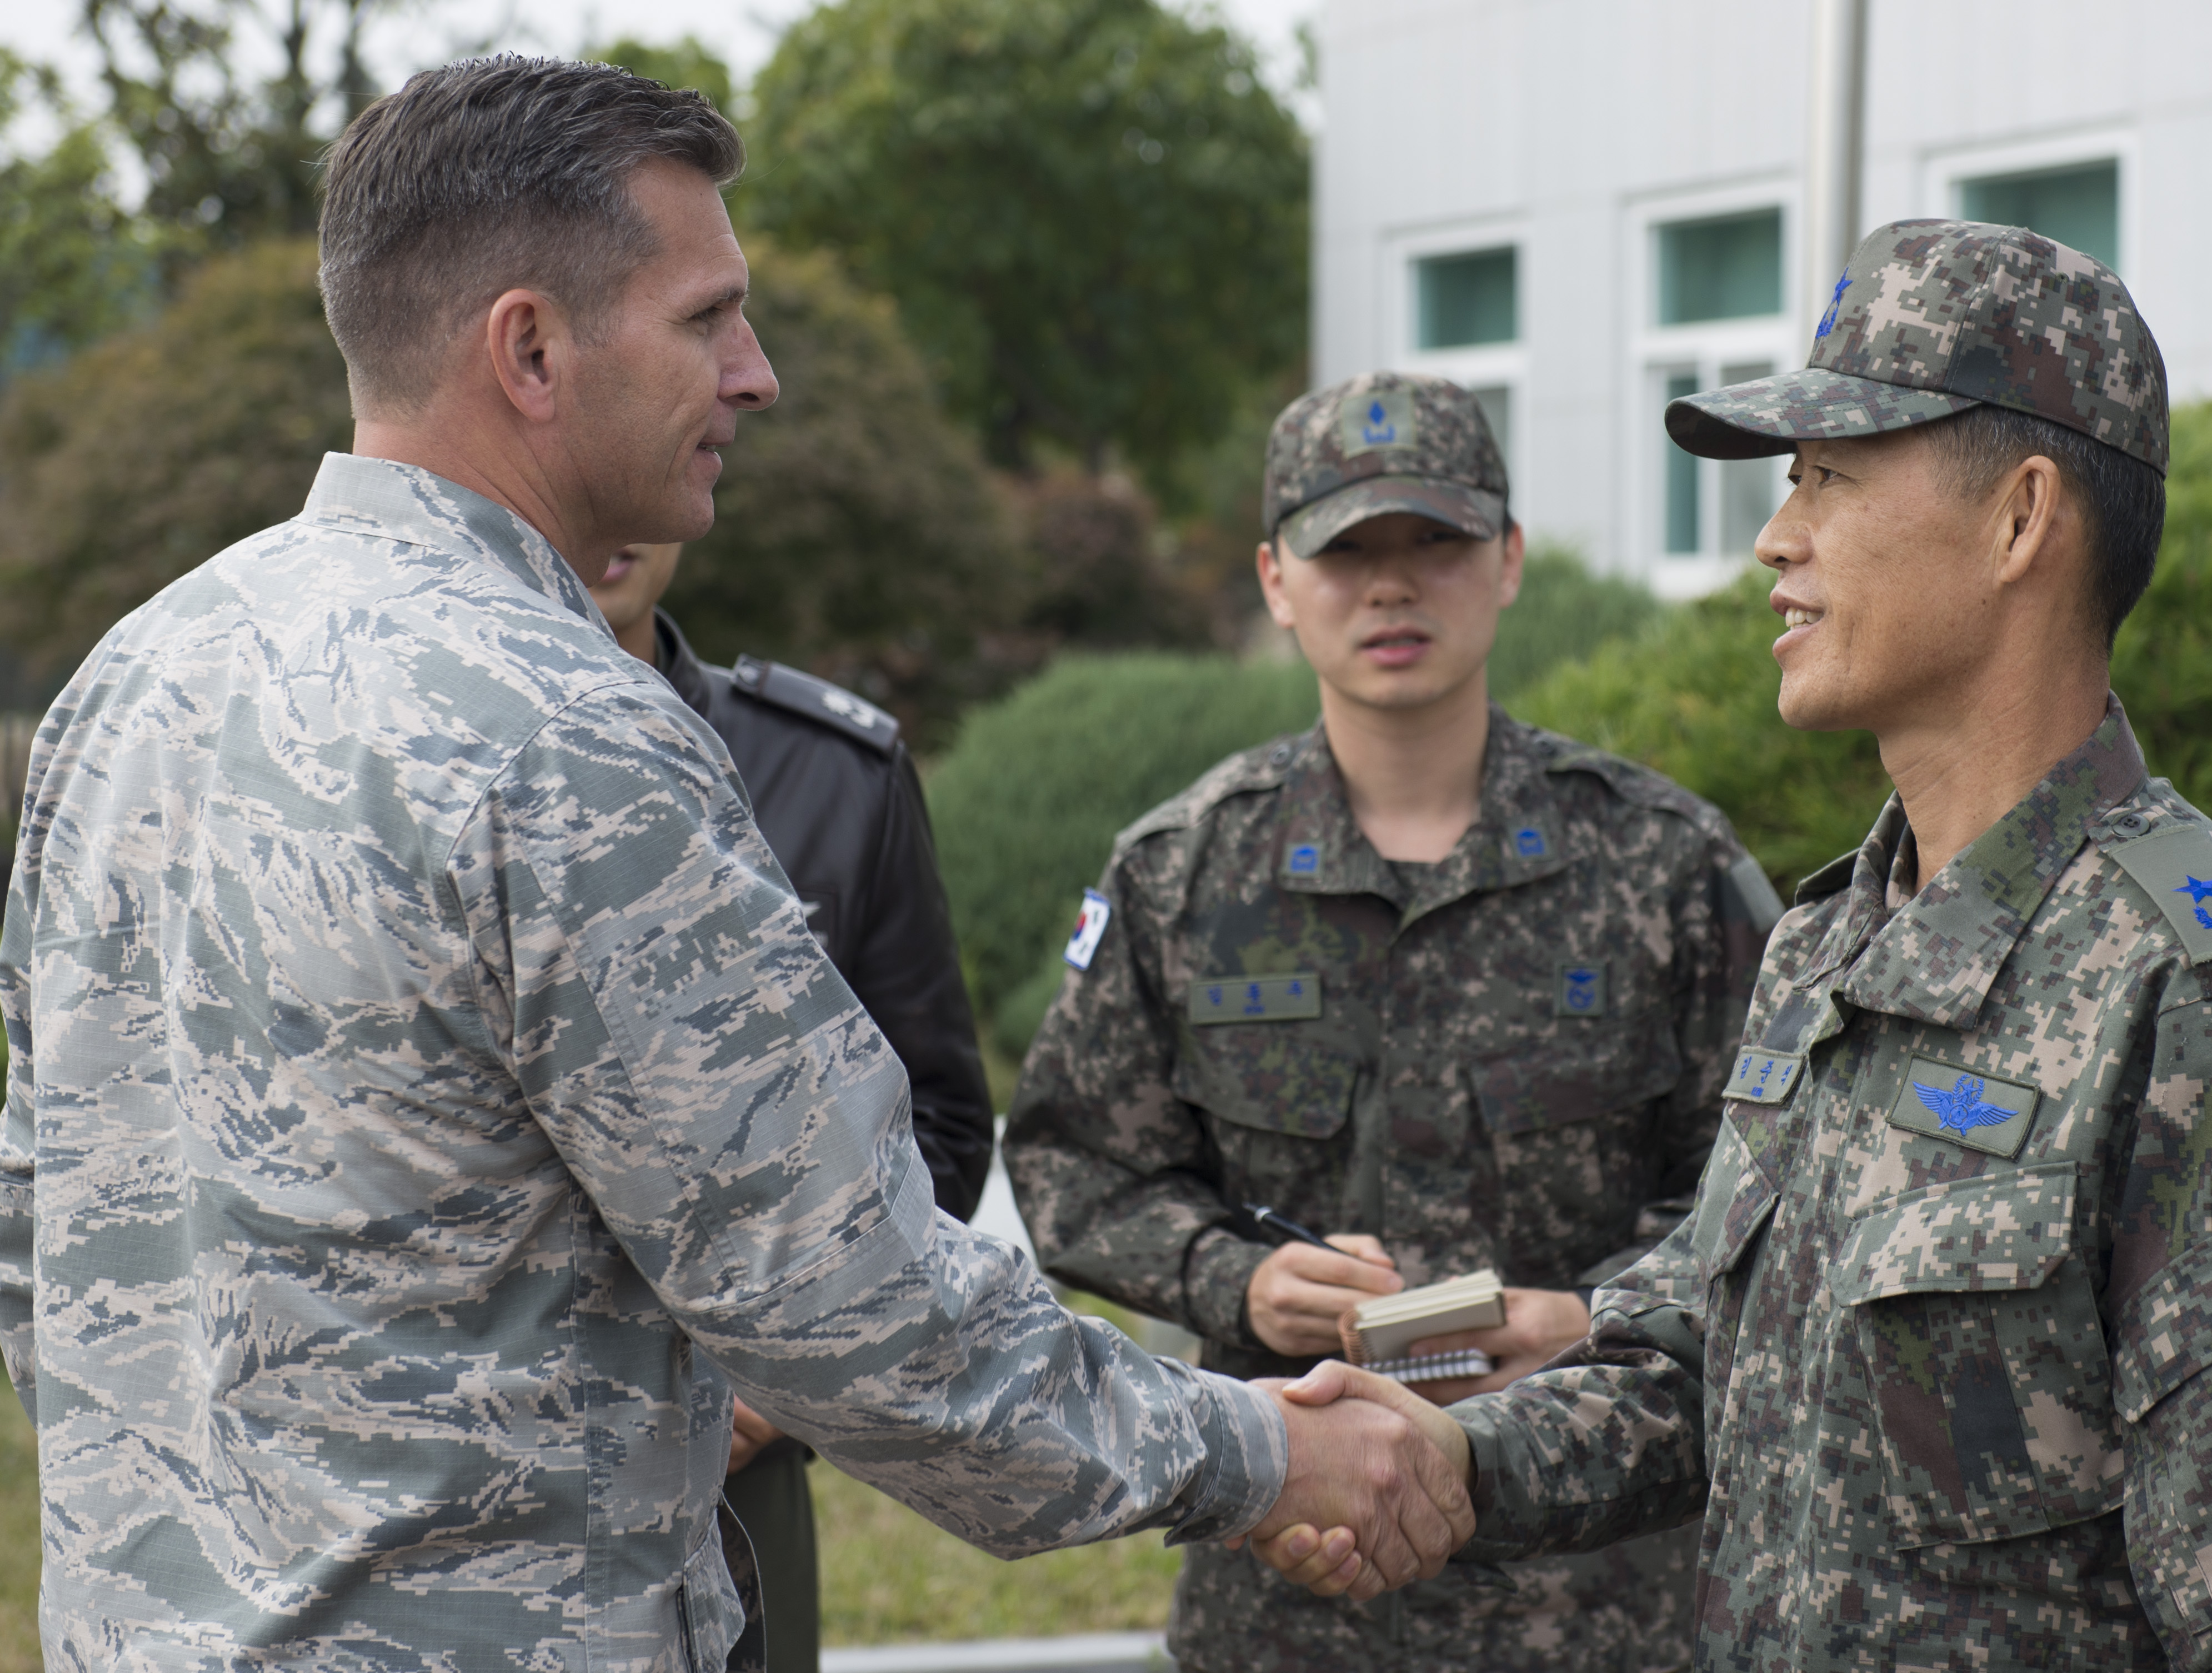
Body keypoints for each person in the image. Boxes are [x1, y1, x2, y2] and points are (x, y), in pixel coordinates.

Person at [0, 56, 1473, 1669]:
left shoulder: (136, 677)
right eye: (710, 318)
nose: (757, 374)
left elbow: (50, 1246)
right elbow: (868, 1312)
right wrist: (1269, 1452)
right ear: (533, 349)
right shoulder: (568, 735)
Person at [1256, 220, 2212, 1669]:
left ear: (2021, 519)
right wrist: (1453, 1463)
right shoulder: (1828, 946)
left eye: (1832, 476)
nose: (1776, 536)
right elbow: (1713, 1358)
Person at [1005, 371, 1781, 1671]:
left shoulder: (1664, 869)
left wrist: (1583, 1319)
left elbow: (1764, 1203)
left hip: (1590, 1600)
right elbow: (1068, 1164)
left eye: (1438, 542)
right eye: (1346, 548)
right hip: (1286, 1593)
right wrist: (1234, 1276)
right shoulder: (1184, 876)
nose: (1392, 586)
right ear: (1273, 578)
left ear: (1510, 560)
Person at [588, 540, 994, 1673]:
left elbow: (939, 1130)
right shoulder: (394, 750)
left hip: (738, 1481)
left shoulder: (828, 771)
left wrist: (775, 1382)